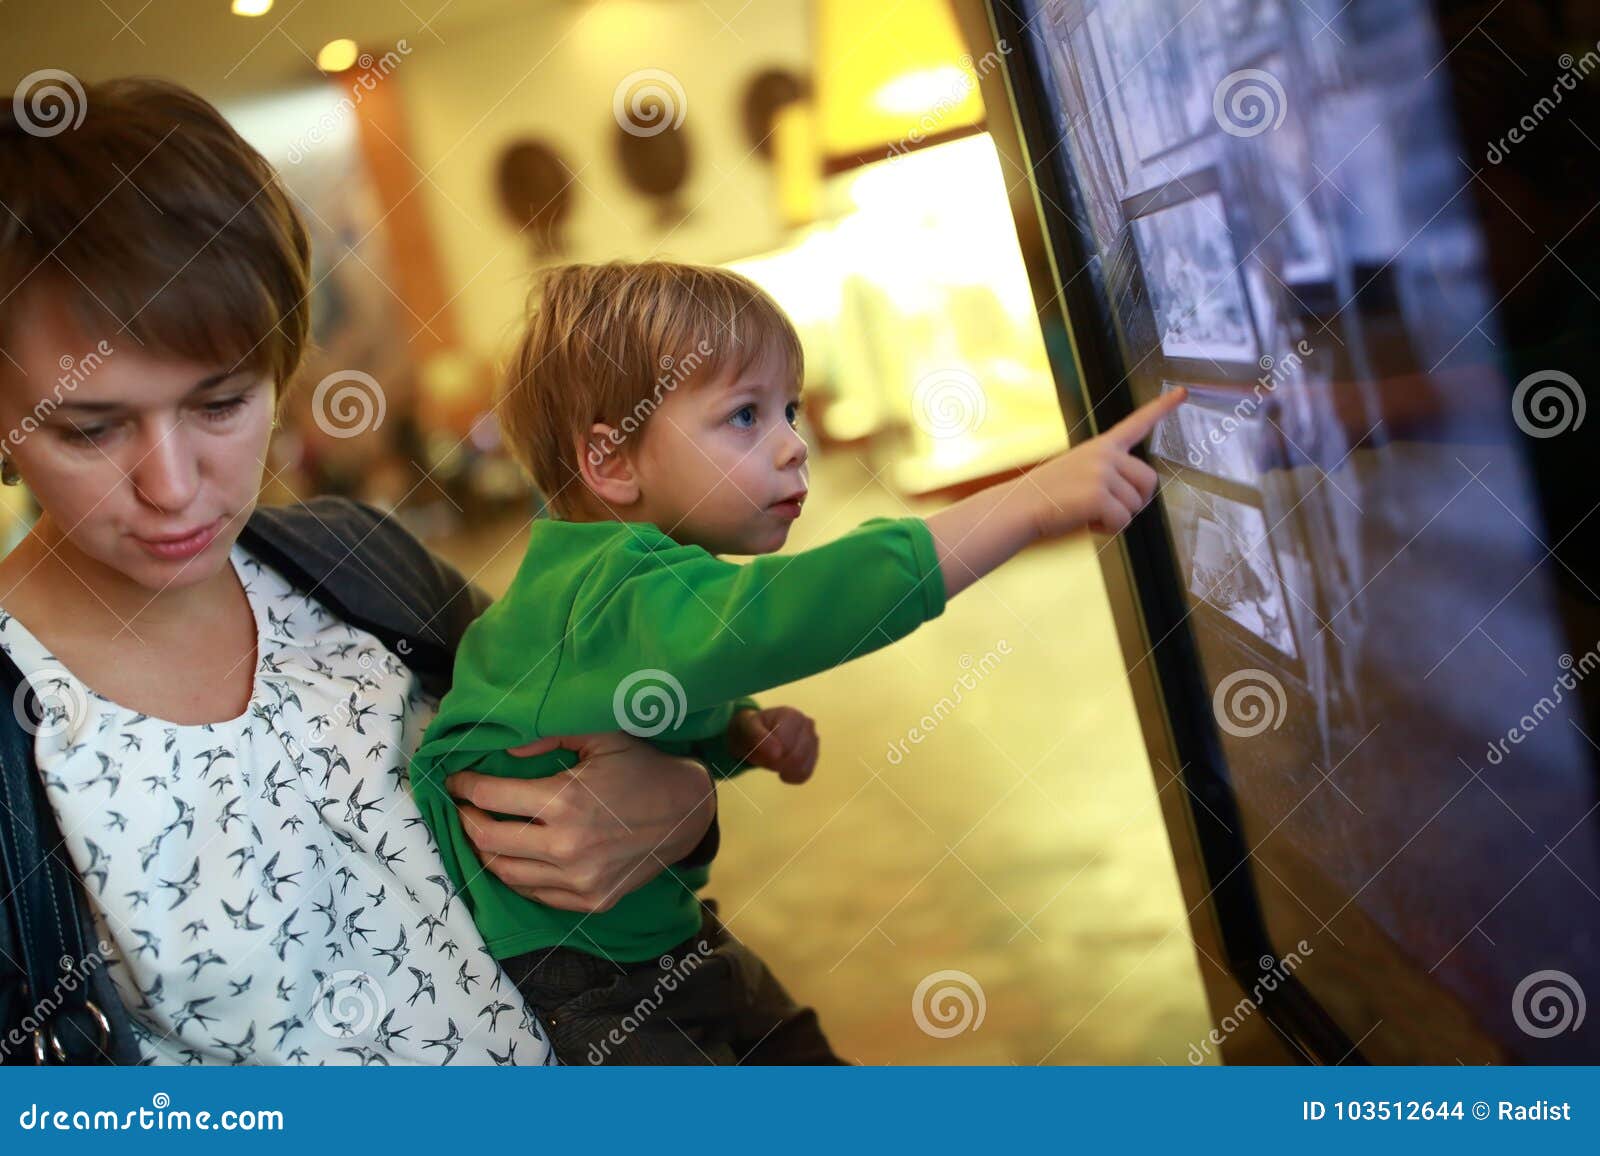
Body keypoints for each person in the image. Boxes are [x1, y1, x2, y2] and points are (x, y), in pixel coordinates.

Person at [0, 77, 724, 1066]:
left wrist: (677, 805)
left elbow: (589, 746)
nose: (172, 487)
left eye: (220, 404)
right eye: (92, 427)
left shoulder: (355, 563)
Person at [407, 261, 1184, 1064]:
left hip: (660, 948)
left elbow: (621, 711)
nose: (792, 447)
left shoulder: (616, 584)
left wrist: (732, 735)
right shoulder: (607, 588)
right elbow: (789, 614)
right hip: (590, 988)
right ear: (612, 462)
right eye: (744, 417)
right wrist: (1026, 503)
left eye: (788, 410)